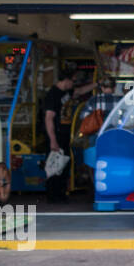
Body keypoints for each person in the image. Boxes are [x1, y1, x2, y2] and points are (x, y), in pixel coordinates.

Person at [37, 68, 95, 203]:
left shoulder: (67, 91)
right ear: (65, 80)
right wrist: (52, 140)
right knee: (55, 165)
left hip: (65, 134)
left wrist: (96, 84)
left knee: (64, 165)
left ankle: (61, 194)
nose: (74, 84)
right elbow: (48, 118)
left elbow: (80, 91)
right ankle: (53, 196)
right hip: (55, 134)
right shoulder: (52, 95)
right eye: (72, 81)